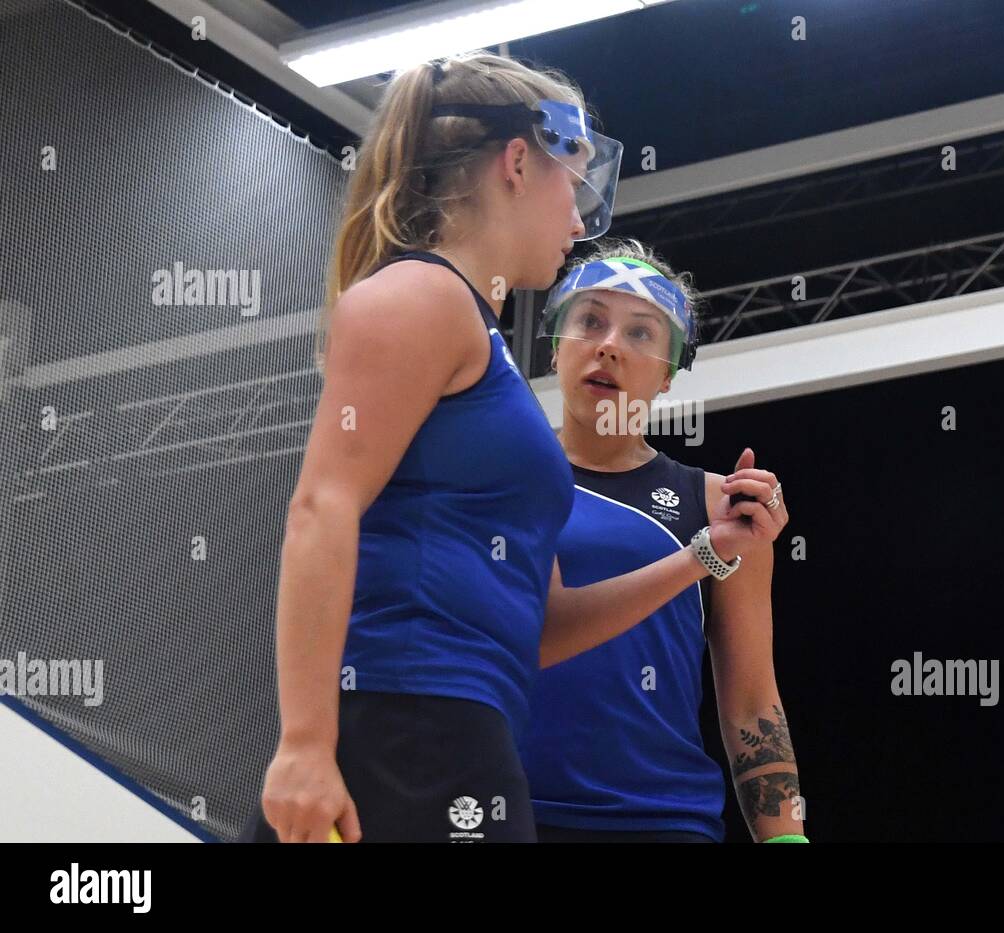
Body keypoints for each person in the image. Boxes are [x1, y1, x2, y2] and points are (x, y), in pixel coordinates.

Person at [242, 53, 784, 843]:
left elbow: (543, 625)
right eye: (576, 186)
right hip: (403, 728)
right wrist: (304, 744)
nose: (578, 219)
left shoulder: (479, 345)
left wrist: (705, 553)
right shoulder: (423, 294)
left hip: (469, 741)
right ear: (519, 163)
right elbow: (321, 506)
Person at [520, 238, 805, 843]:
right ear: (554, 348)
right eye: (590, 321)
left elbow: (752, 699)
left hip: (662, 821)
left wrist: (786, 839)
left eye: (641, 333)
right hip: (507, 811)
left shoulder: (719, 504)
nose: (609, 345)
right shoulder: (502, 479)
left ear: (671, 373)